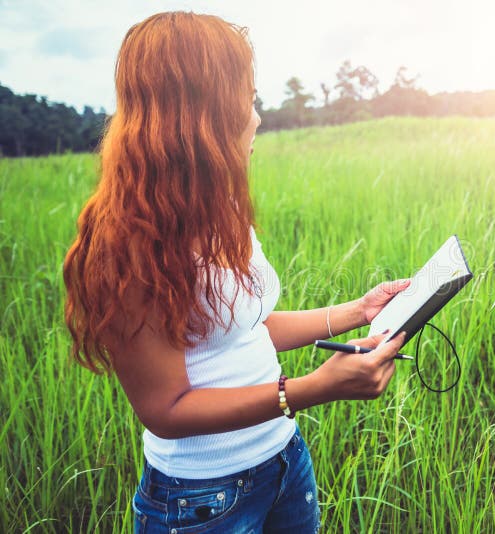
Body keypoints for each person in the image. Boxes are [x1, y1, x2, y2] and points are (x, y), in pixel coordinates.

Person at [62, 12, 409, 533]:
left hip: (284, 463)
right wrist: (310, 389)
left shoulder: (215, 207)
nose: (257, 117)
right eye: (247, 98)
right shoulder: (124, 244)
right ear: (203, 113)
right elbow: (166, 408)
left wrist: (356, 312)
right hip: (201, 503)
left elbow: (246, 327)